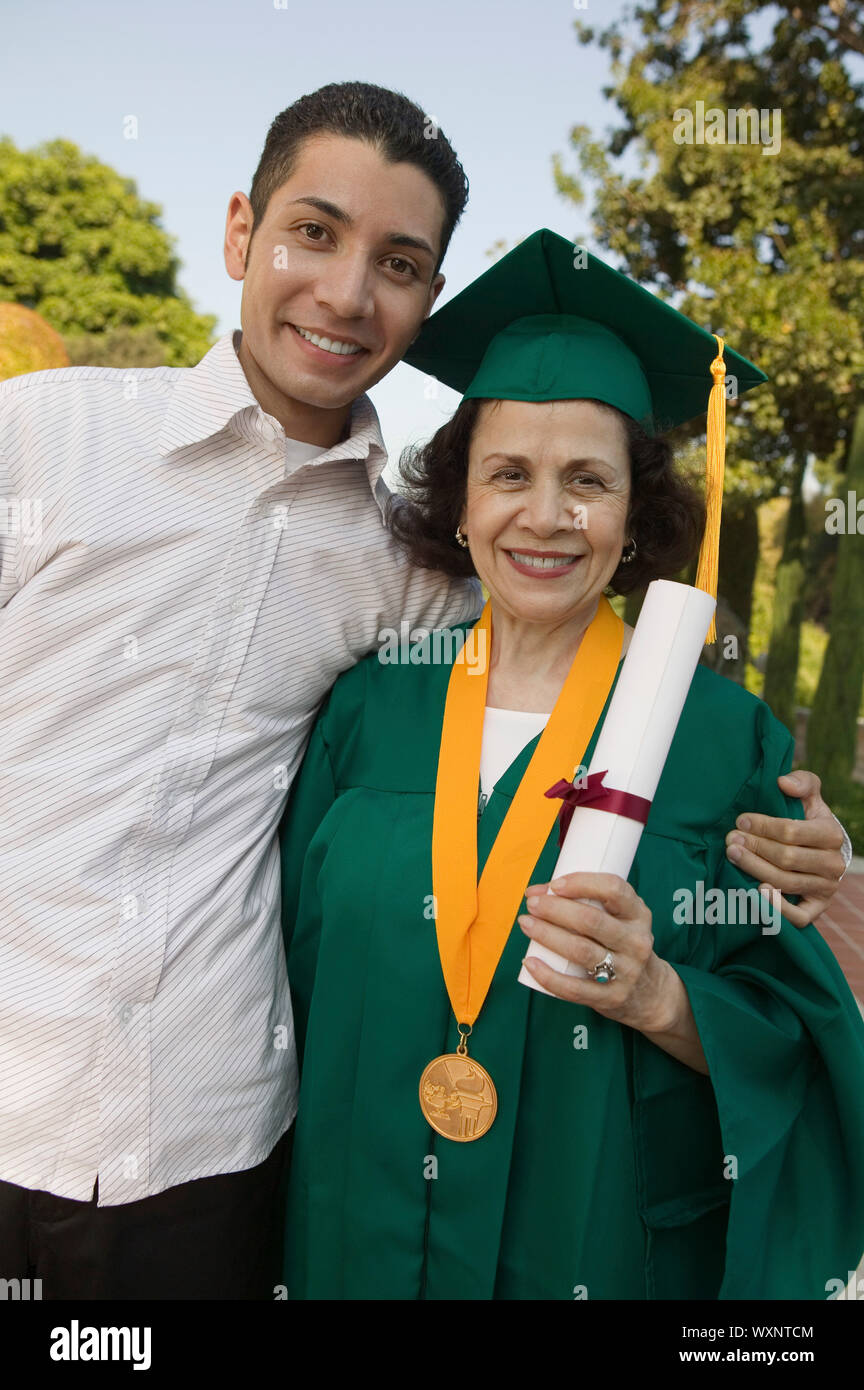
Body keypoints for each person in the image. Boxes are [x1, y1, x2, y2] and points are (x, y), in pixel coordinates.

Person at [0, 81, 846, 1300]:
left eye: (396, 260)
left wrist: (788, 863)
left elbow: (783, 999)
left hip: (213, 1168)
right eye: (315, 232)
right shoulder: (46, 445)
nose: (347, 293)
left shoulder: (451, 613)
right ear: (243, 231)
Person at [278, 229, 864, 1300]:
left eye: (587, 480)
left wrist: (657, 995)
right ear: (460, 501)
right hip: (353, 1239)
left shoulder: (723, 740)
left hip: (594, 1252)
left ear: (635, 515)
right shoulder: (366, 706)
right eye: (509, 474)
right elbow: (283, 969)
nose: (545, 516)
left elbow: (793, 1034)